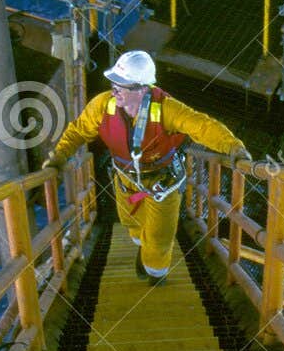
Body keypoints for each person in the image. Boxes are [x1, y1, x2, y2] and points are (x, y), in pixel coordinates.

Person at [45, 50, 250, 286]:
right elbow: (78, 131)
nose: (114, 89)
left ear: (142, 89)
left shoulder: (167, 109)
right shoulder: (102, 106)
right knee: (131, 222)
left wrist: (234, 148)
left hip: (162, 181)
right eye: (114, 82)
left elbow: (203, 127)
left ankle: (156, 274)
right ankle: (143, 251)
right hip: (125, 180)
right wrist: (59, 157)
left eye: (121, 85)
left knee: (159, 236)